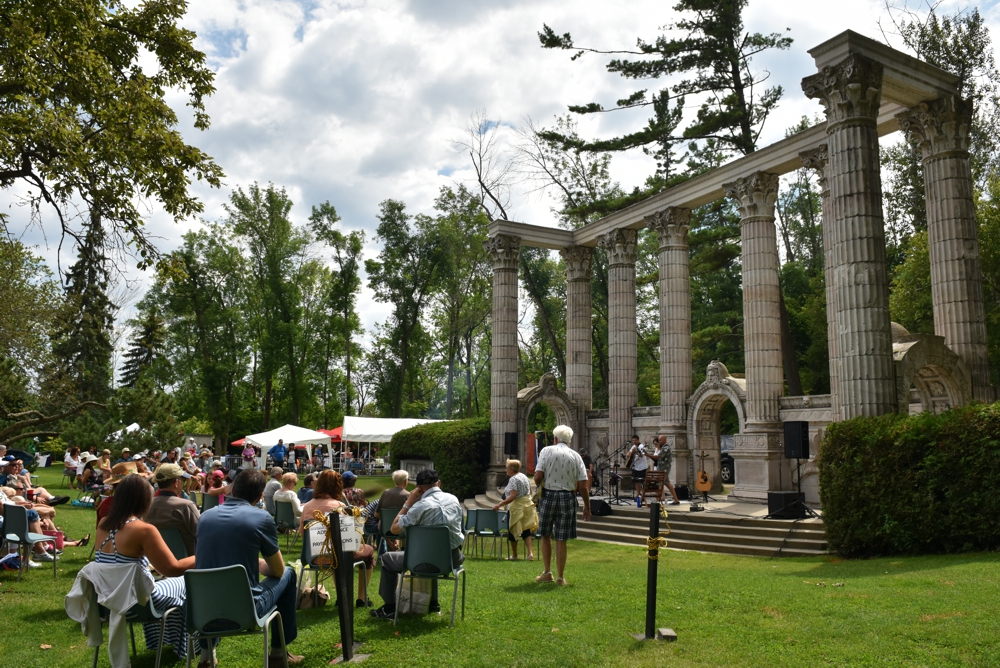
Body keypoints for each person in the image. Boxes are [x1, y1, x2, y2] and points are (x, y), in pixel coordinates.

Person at [196, 469, 303, 666]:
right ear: (260, 496)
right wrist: (260, 564)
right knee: (288, 573)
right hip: (245, 610)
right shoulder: (261, 519)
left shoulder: (204, 517)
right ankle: (279, 653)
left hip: (201, 610)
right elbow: (278, 571)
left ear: (233, 489)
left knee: (215, 590)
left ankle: (206, 656)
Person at [94, 474, 197, 663]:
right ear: (144, 500)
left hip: (108, 601)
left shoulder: (103, 524)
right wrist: (202, 556)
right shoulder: (143, 529)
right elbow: (172, 569)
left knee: (159, 585)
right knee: (187, 583)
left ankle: (165, 641)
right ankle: (192, 647)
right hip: (139, 604)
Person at [370, 469, 464, 620]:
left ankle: (389, 608)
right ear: (438, 483)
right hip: (452, 559)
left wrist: (408, 503)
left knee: (387, 558)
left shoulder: (419, 507)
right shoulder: (453, 499)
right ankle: (434, 603)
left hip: (421, 562)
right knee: (434, 552)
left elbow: (394, 529)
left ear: (418, 488)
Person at [297, 470, 373, 607]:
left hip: (313, 557)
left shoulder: (307, 506)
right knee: (368, 551)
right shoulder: (339, 506)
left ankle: (341, 596)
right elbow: (347, 540)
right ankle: (362, 598)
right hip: (337, 556)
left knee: (335, 552)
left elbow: (303, 535)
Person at [533, 424, 590, 586]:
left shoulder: (546, 451)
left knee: (545, 535)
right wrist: (587, 506)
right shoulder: (576, 456)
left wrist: (538, 484)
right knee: (561, 538)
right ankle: (560, 577)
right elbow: (583, 485)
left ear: (555, 438)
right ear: (569, 440)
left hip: (549, 495)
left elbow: (537, 476)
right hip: (568, 497)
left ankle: (547, 572)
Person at [145, 463, 201, 557]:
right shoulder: (186, 507)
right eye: (182, 480)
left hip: (157, 563)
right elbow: (202, 534)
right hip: (188, 564)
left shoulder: (146, 506)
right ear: (176, 482)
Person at [492, 459, 537, 561]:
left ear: (512, 469)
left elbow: (512, 496)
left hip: (516, 508)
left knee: (512, 529)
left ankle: (515, 555)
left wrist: (499, 504)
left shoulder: (513, 479)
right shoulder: (525, 476)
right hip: (526, 506)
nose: (505, 470)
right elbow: (530, 492)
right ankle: (530, 554)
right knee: (526, 530)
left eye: (507, 468)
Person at [651, 435, 681, 505]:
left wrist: (648, 455)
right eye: (658, 441)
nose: (659, 442)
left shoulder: (666, 448)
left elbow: (658, 456)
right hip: (660, 469)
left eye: (660, 440)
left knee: (659, 484)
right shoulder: (662, 448)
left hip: (664, 470)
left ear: (664, 440)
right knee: (667, 484)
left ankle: (659, 500)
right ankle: (676, 500)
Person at [625, 435, 649, 506]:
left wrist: (635, 452)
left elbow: (641, 455)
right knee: (635, 481)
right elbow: (629, 453)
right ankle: (638, 493)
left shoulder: (642, 446)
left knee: (641, 481)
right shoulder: (633, 446)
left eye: (635, 440)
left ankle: (643, 495)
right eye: (633, 440)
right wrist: (628, 454)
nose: (634, 441)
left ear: (638, 440)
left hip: (641, 467)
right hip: (635, 466)